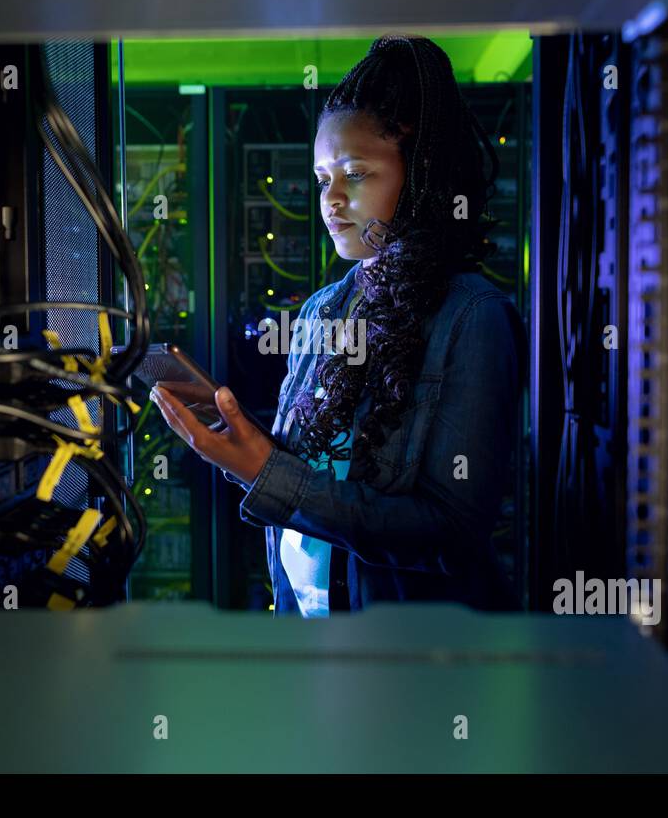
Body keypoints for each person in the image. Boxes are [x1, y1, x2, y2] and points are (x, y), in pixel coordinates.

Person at [150, 35, 527, 617]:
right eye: (325, 177)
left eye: (356, 173)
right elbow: (314, 465)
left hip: (413, 665)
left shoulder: (473, 318)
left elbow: (452, 532)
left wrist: (264, 471)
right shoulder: (321, 310)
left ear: (421, 173)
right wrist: (237, 442)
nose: (331, 198)